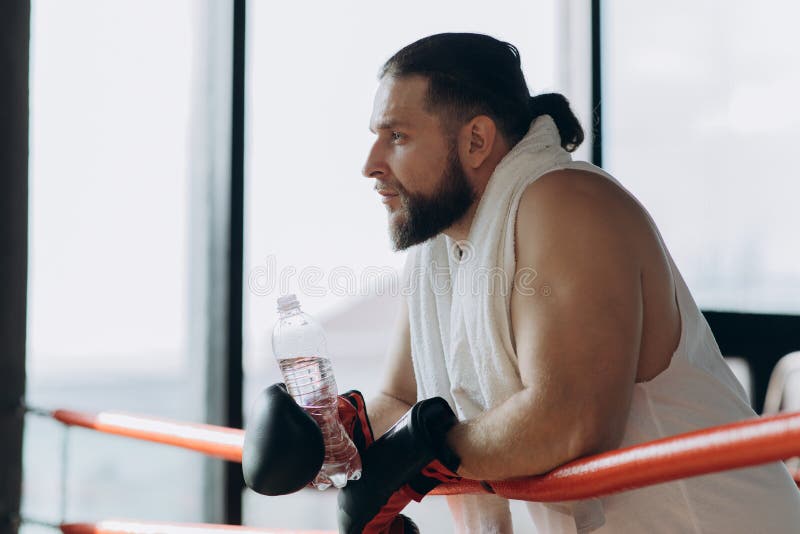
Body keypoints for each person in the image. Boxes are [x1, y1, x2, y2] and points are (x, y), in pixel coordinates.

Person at [243, 33, 800, 533]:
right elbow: (400, 397)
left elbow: (570, 420)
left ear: (477, 141)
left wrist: (417, 460)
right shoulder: (441, 249)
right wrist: (333, 440)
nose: (371, 163)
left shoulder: (567, 204)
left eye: (397, 136)